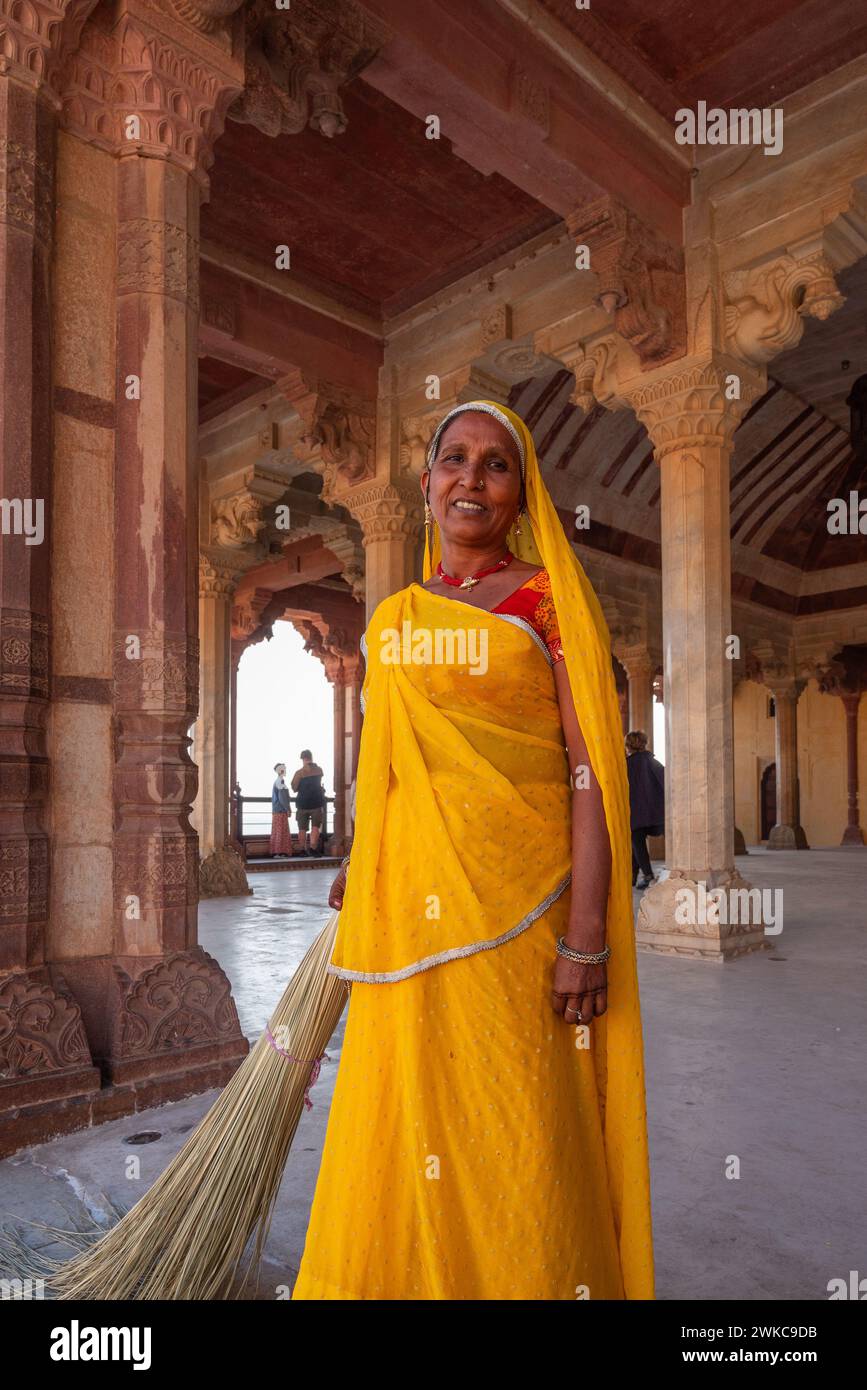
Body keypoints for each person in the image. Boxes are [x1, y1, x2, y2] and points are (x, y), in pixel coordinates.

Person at [291, 401, 654, 1301]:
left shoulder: (549, 601)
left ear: (519, 491)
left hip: (522, 918)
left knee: (517, 1124)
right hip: (406, 913)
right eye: (454, 459)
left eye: (495, 465)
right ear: (425, 486)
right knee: (408, 1116)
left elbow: (590, 771)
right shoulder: (395, 619)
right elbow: (386, 765)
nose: (471, 478)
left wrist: (584, 934)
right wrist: (359, 859)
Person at [625, 731, 665, 890]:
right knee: (636, 843)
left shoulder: (625, 765)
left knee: (637, 842)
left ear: (628, 746)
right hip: (658, 813)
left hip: (636, 814)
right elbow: (665, 780)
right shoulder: (652, 761)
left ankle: (647, 875)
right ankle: (633, 876)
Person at [292, 750, 326, 856]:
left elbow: (294, 787)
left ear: (303, 759)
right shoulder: (319, 770)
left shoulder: (299, 773)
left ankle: (302, 850)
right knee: (315, 827)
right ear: (311, 757)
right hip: (316, 803)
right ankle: (313, 849)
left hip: (302, 804)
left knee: (302, 828)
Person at [270, 763, 292, 858]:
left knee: (277, 830)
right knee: (281, 831)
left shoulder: (278, 781)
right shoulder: (280, 781)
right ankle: (279, 852)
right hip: (280, 810)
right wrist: (288, 809)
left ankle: (277, 851)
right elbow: (282, 798)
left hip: (276, 810)